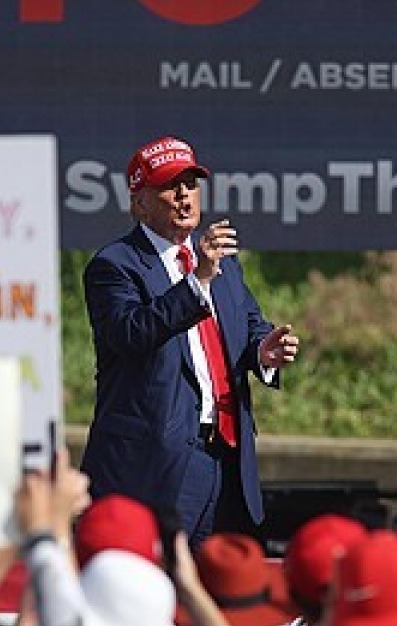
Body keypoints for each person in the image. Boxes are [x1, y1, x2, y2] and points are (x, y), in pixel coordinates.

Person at [80, 136, 300, 545]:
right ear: (139, 202)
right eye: (169, 186)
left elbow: (248, 323)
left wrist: (263, 352)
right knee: (162, 589)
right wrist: (196, 280)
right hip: (159, 464)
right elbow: (132, 334)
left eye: (191, 184)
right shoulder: (115, 265)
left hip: (227, 456)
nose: (184, 196)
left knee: (221, 588)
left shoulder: (223, 261)